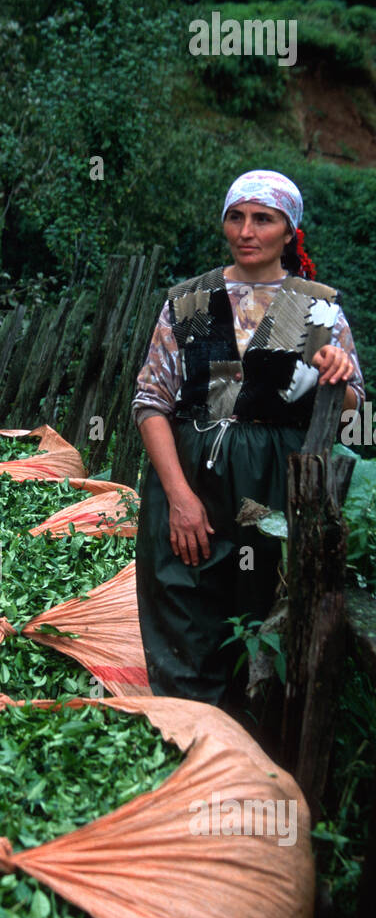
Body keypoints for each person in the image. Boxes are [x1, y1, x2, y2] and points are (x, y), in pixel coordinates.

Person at [131, 168, 365, 710]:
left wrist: (332, 368)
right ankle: (189, 741)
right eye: (236, 217)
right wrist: (180, 498)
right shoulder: (190, 303)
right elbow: (151, 403)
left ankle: (253, 753)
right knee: (184, 611)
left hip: (275, 483)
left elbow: (351, 404)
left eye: (264, 218)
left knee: (265, 614)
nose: (247, 230)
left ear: (290, 231)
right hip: (192, 478)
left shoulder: (313, 307)